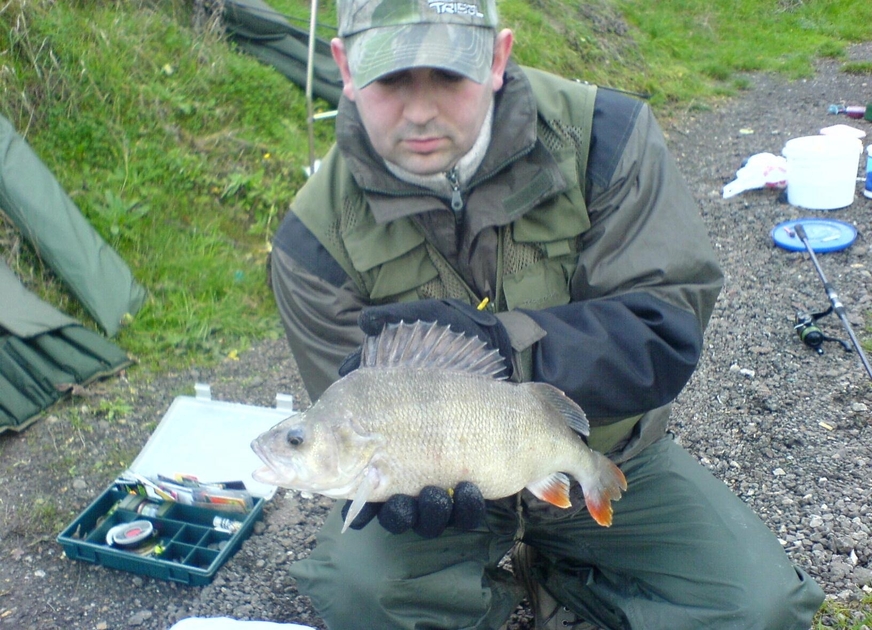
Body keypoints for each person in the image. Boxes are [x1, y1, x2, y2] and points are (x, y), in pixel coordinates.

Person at [268, 0, 825, 627]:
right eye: (390, 77)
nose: (419, 110)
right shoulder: (311, 241)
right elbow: (347, 408)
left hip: (600, 443)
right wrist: (401, 487)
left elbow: (665, 327)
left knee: (760, 608)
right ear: (344, 67)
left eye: (449, 76)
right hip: (443, 484)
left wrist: (511, 346)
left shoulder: (607, 138)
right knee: (356, 593)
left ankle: (565, 572)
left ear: (499, 57)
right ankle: (487, 587)